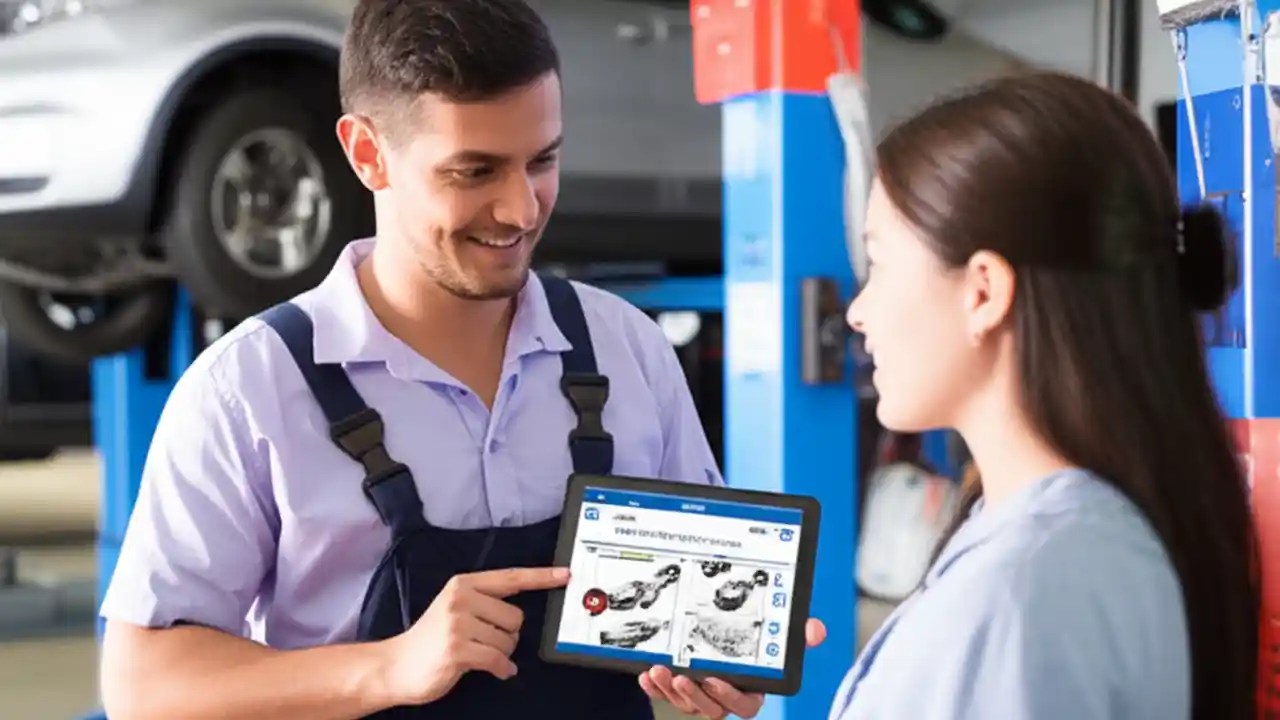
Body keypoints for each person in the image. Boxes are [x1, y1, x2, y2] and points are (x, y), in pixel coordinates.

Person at [96, 2, 821, 719]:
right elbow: (143, 687)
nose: (520, 210)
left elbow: (700, 616)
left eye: (542, 161)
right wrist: (385, 667)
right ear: (367, 154)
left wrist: (727, 666)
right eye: (473, 172)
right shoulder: (249, 390)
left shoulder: (627, 351)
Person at [831, 71, 1259, 719]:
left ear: (983, 292)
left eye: (880, 264)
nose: (858, 312)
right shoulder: (1060, 537)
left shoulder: (1032, 583)